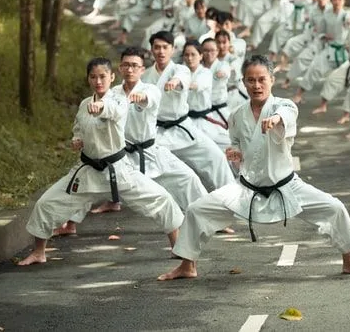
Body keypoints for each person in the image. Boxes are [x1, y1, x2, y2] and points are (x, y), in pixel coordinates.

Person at [157, 55, 350, 280]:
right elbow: (235, 143)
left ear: (272, 79)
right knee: (196, 210)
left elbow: (287, 114)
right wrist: (235, 153)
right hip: (245, 189)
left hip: (286, 185)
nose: (257, 85)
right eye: (251, 80)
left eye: (262, 79)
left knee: (335, 207)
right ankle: (188, 265)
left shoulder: (283, 105)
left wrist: (275, 120)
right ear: (243, 82)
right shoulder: (236, 115)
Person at [18, 58, 184, 266]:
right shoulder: (84, 104)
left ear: (112, 77)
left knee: (161, 198)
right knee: (46, 203)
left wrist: (101, 108)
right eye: (93, 77)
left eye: (103, 76)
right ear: (88, 79)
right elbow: (78, 126)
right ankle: (39, 252)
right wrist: (76, 139)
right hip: (88, 171)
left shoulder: (119, 100)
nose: (98, 81)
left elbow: (114, 111)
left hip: (119, 170)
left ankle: (178, 246)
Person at [89, 48, 208, 215]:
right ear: (120, 68)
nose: (130, 69)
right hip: (122, 156)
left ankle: (208, 217)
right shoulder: (112, 93)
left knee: (188, 177)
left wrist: (141, 98)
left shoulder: (150, 89)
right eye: (126, 65)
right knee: (88, 180)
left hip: (151, 152)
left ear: (142, 70)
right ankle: (70, 222)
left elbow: (149, 100)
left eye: (135, 66)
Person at [141, 31, 235, 191]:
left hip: (184, 128)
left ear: (172, 49)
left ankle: (232, 196)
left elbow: (183, 78)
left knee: (216, 157)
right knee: (156, 169)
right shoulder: (146, 76)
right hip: (159, 133)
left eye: (165, 47)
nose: (161, 51)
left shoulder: (181, 70)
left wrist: (175, 81)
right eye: (157, 47)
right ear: (151, 50)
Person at [183, 41, 231, 149]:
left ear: (200, 56)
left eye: (193, 54)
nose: (189, 58)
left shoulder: (205, 72)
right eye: (186, 55)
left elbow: (197, 85)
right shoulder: (181, 72)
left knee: (226, 145)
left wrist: (179, 84)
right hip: (187, 120)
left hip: (205, 118)